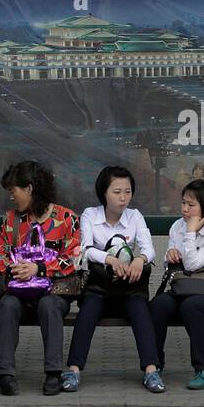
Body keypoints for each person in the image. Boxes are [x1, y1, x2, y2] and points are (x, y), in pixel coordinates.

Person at [63, 166, 164, 393]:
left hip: (130, 288)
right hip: (99, 287)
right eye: (117, 191)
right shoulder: (91, 214)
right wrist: (109, 259)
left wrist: (140, 259)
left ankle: (151, 371)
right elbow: (86, 249)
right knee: (86, 314)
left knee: (141, 313)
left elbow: (149, 249)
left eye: (127, 191)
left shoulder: (135, 216)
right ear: (104, 193)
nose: (123, 198)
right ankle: (73, 369)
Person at [0, 160, 81, 397]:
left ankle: (53, 373)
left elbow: (73, 259)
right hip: (19, 290)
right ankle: (4, 374)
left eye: (13, 191)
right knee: (7, 305)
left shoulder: (66, 218)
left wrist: (39, 269)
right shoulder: (12, 220)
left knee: (49, 305)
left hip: (53, 291)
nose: (11, 197)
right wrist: (13, 268)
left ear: (29, 188)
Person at [149, 178, 204, 390]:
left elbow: (192, 264)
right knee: (158, 304)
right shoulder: (176, 226)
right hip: (184, 290)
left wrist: (190, 232)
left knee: (193, 306)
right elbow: (173, 266)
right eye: (183, 203)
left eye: (191, 205)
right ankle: (153, 366)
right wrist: (169, 254)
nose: (185, 209)